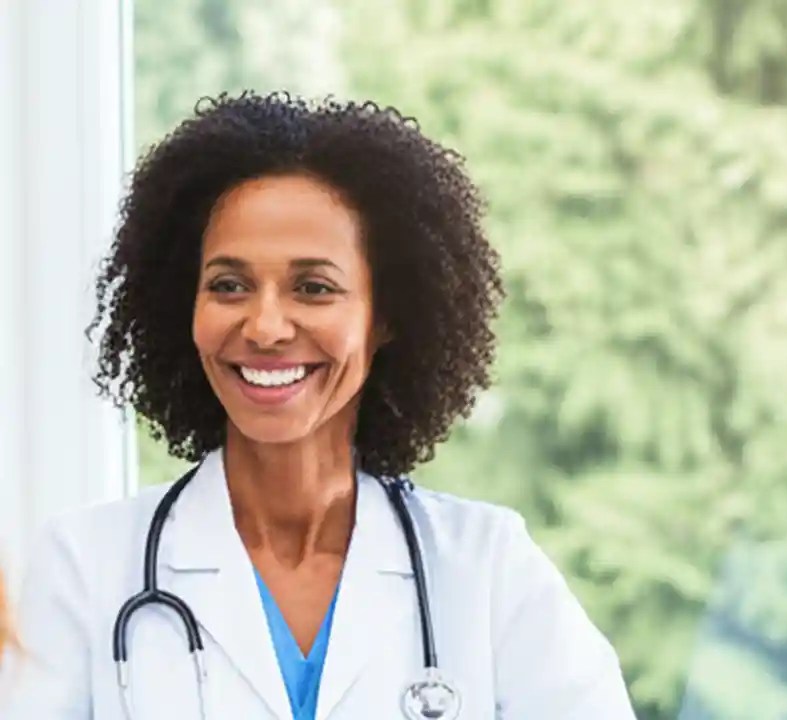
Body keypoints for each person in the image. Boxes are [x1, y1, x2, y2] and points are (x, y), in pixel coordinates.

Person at [0, 92, 636, 719]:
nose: (266, 326)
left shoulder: (487, 568)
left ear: (384, 316)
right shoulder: (86, 568)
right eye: (229, 285)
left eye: (313, 287)